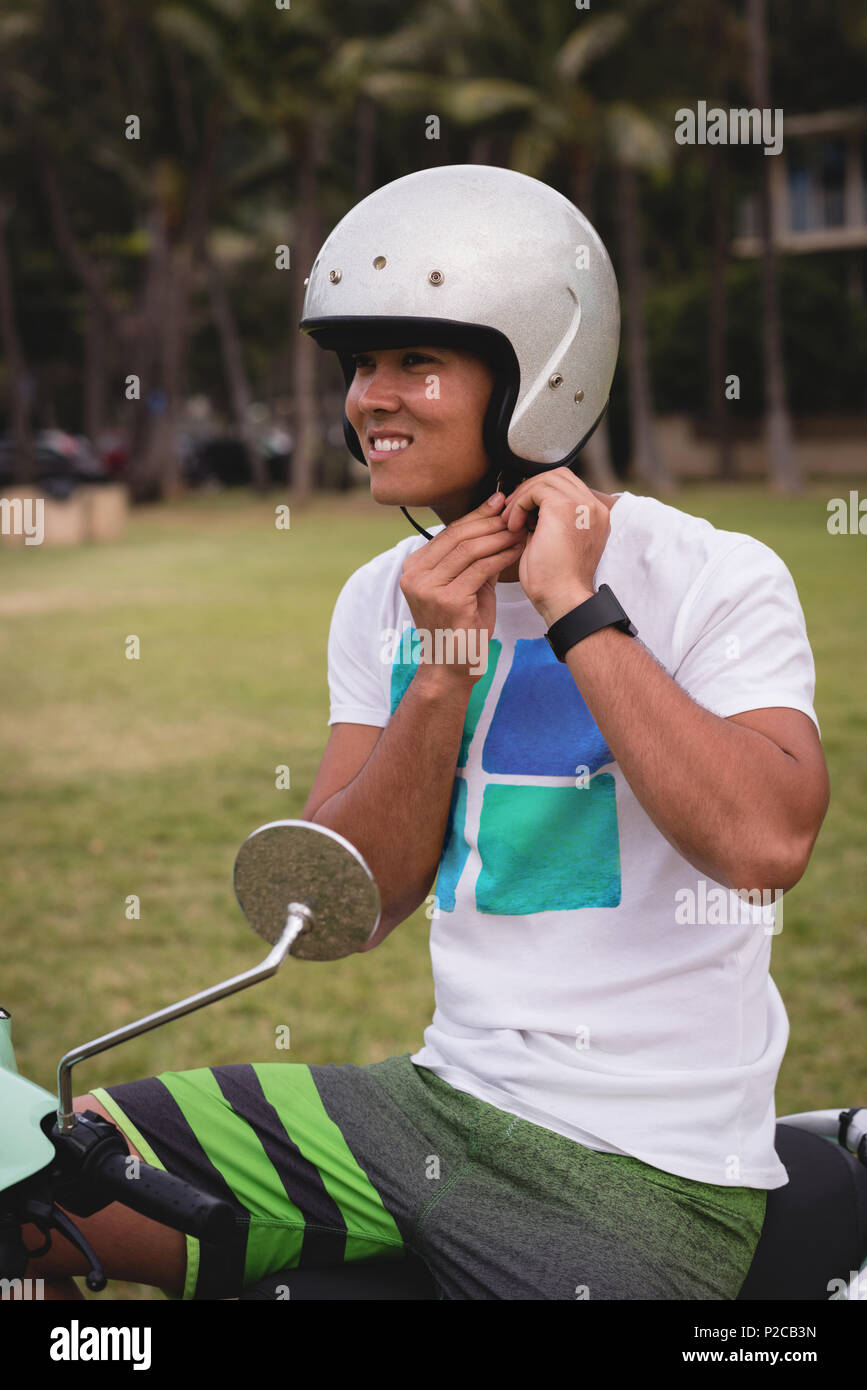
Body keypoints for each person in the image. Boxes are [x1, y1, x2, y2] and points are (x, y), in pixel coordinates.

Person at [25, 164, 829, 1301]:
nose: (370, 399)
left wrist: (574, 609)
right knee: (38, 1182)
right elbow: (348, 913)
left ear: (540, 372)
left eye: (417, 360)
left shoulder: (710, 574)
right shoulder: (382, 599)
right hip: (427, 1109)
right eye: (360, 366)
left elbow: (764, 844)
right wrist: (443, 665)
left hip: (647, 1173)